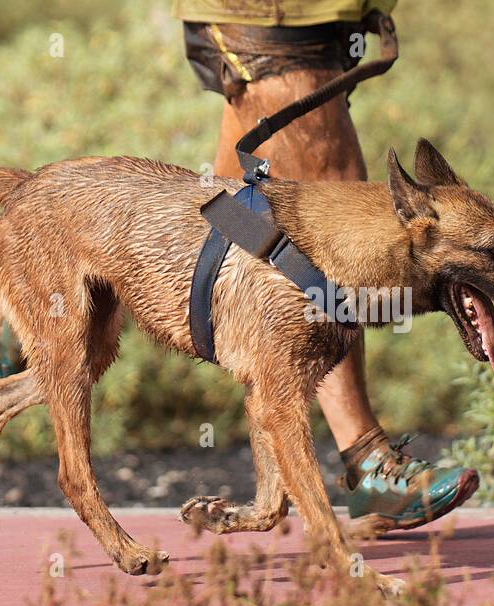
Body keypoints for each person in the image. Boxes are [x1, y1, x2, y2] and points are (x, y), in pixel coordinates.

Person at [175, 0, 478, 532]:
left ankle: (35, 276)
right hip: (277, 14)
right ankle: (366, 464)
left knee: (236, 211)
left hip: (319, 17)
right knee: (330, 221)